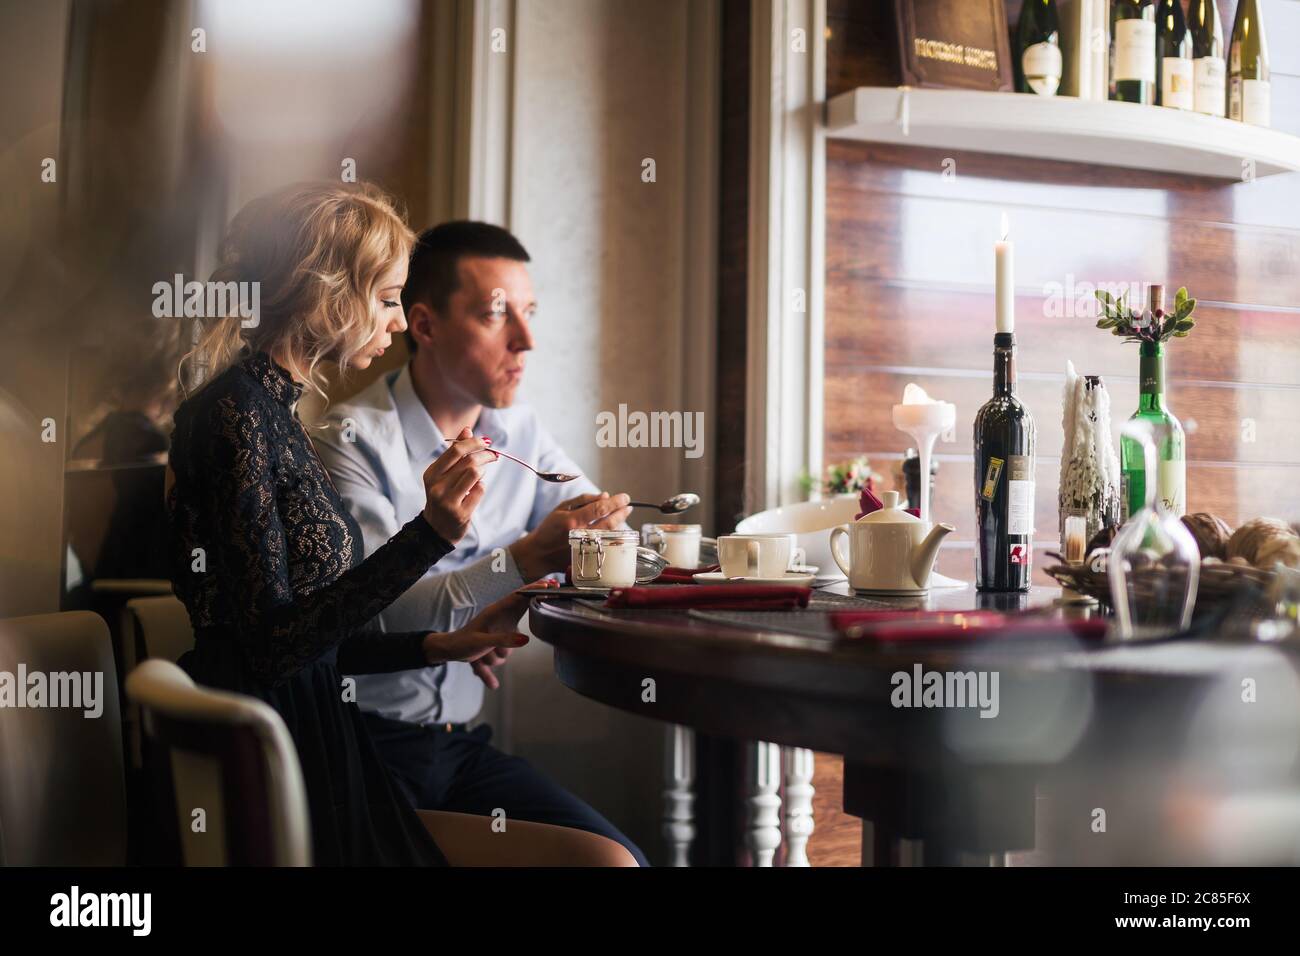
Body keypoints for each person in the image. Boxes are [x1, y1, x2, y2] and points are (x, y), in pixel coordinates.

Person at [165, 182, 636, 866]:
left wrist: (440, 647)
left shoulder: (273, 415)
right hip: (298, 757)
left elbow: (309, 637)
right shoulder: (239, 416)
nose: (393, 324)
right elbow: (272, 652)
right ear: (326, 295)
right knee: (604, 862)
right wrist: (432, 535)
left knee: (612, 856)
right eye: (387, 299)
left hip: (325, 733)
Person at [315, 221, 647, 866]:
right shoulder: (349, 441)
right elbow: (378, 610)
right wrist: (526, 560)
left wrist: (535, 577)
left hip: (460, 744)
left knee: (623, 857)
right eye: (497, 314)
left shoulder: (518, 428)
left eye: (528, 312)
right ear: (426, 325)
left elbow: (607, 531)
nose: (527, 340)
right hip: (362, 747)